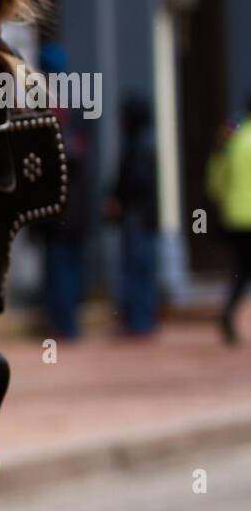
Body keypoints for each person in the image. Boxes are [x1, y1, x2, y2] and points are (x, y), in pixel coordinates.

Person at [38, 43, 90, 337]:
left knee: (62, 266)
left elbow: (69, 155)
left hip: (63, 206)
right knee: (65, 264)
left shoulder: (51, 104)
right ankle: (65, 321)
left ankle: (65, 322)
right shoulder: (72, 102)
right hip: (70, 205)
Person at [105, 96, 159, 336]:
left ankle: (139, 322)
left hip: (137, 217)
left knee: (137, 270)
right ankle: (140, 320)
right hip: (142, 217)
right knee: (140, 269)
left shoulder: (138, 147)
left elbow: (136, 182)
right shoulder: (141, 144)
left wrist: (118, 198)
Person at [205, 95, 251, 343]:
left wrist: (222, 201)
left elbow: (215, 177)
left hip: (235, 215)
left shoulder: (232, 138)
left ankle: (228, 314)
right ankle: (227, 316)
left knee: (242, 270)